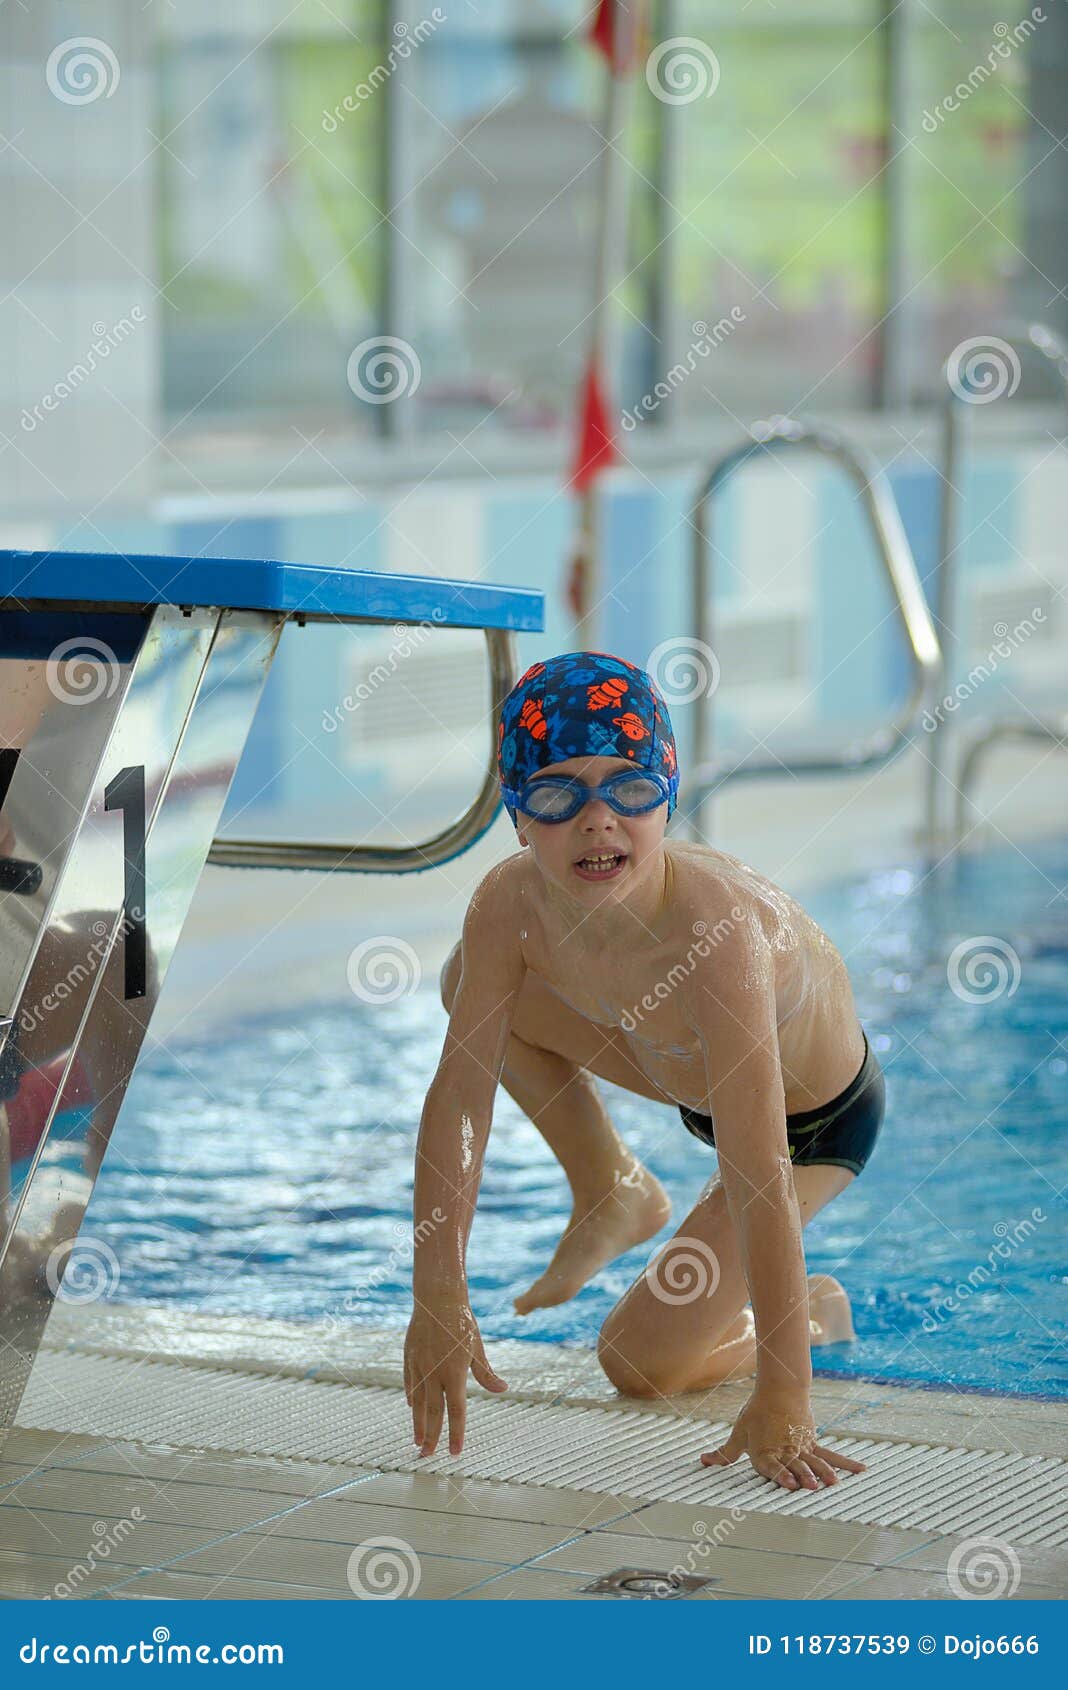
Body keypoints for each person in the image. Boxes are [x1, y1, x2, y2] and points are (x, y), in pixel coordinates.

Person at [404, 651, 884, 1493]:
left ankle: (809, 1310)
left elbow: (757, 1166)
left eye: (628, 789)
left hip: (806, 1126)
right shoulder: (506, 905)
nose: (599, 821)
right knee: (467, 988)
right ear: (517, 818)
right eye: (558, 796)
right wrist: (438, 1292)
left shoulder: (718, 935)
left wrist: (784, 1390)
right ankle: (611, 1187)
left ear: (665, 799)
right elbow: (460, 1094)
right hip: (682, 1068)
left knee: (637, 1360)